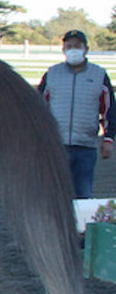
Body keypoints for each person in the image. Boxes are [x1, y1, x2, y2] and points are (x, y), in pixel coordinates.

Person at [37, 29, 114, 198]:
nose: (73, 49)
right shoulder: (52, 74)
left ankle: (81, 225)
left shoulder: (99, 75)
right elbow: (38, 109)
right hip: (57, 146)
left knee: (83, 195)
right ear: (63, 49)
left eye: (78, 46)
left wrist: (108, 138)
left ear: (86, 49)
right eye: (69, 46)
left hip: (85, 148)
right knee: (55, 195)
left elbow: (109, 110)